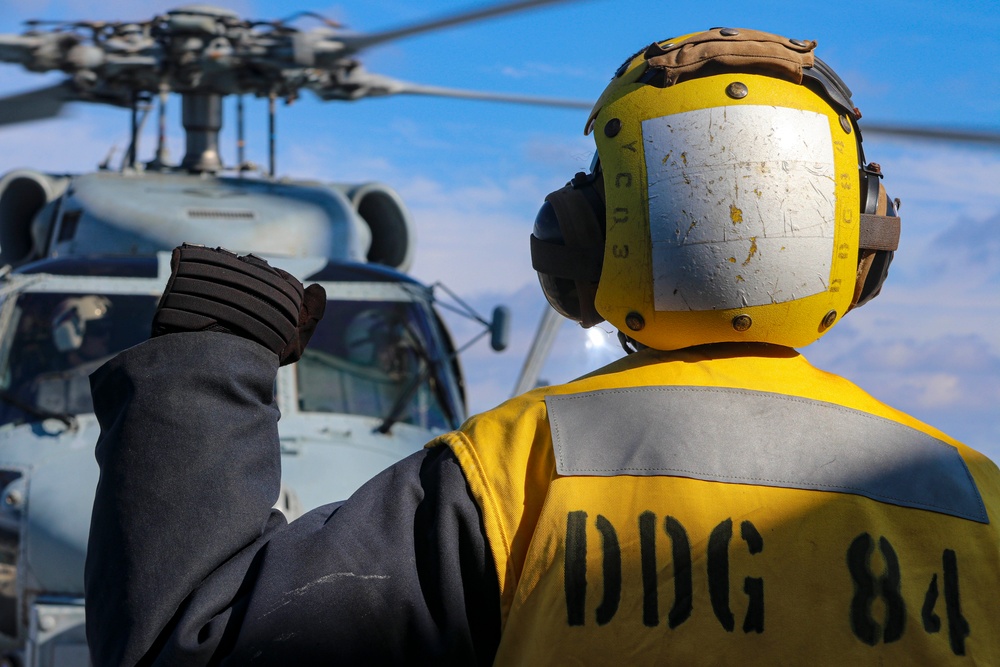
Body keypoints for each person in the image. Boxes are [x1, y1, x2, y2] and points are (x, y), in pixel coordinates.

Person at [85, 29, 1000, 665]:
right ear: (863, 248)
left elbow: (191, 644)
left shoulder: (515, 471)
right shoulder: (977, 501)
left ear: (580, 240)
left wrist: (206, 360)